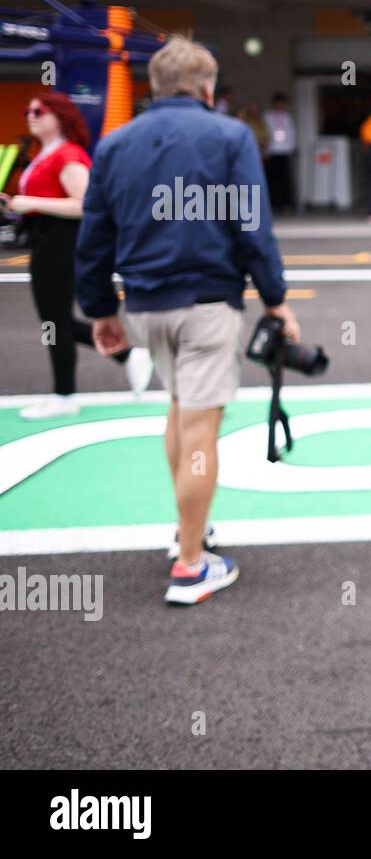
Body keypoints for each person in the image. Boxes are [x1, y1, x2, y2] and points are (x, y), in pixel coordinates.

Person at [75, 36, 300, 606]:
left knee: (179, 408)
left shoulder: (115, 143)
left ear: (154, 87)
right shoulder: (228, 135)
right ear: (207, 88)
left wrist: (101, 310)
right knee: (201, 425)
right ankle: (192, 565)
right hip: (205, 300)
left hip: (144, 304)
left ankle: (189, 526)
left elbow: (94, 236)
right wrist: (275, 298)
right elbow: (252, 223)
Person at [1, 91, 152, 420]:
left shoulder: (67, 154)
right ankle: (126, 356)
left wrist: (33, 204)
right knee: (54, 319)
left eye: (39, 110)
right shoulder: (47, 154)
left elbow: (86, 203)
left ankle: (66, 393)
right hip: (46, 241)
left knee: (54, 319)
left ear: (61, 116)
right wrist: (16, 204)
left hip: (62, 244)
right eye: (28, 109)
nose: (31, 114)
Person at [263, 92, 297, 213]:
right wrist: (265, 150)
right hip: (272, 150)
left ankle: (285, 203)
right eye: (278, 104)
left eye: (282, 104)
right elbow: (265, 133)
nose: (280, 106)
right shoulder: (268, 116)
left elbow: (291, 133)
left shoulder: (287, 116)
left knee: (285, 179)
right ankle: (272, 203)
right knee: (272, 179)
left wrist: (291, 147)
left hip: (284, 150)